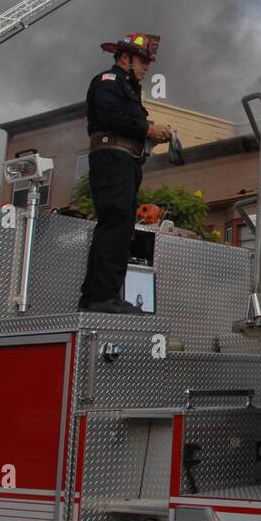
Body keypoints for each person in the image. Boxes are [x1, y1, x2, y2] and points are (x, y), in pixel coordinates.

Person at [79, 32, 173, 313]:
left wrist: (152, 135)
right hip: (111, 160)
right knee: (115, 221)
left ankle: (105, 294)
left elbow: (126, 122)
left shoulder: (129, 89)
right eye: (143, 61)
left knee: (121, 226)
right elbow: (110, 117)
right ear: (125, 58)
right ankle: (100, 297)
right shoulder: (108, 82)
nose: (146, 67)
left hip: (125, 162)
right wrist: (147, 129)